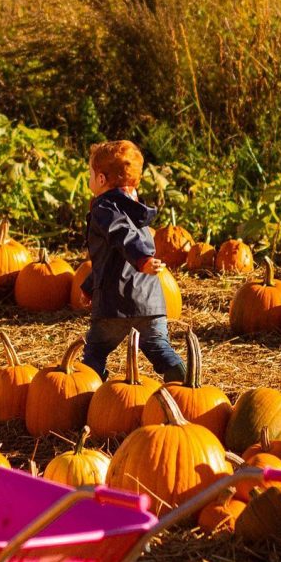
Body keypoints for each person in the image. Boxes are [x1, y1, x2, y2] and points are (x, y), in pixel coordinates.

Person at [80, 140, 186, 382]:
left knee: (95, 351)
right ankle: (187, 386)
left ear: (102, 180)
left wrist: (142, 260)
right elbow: (110, 258)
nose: (89, 179)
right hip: (150, 303)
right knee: (161, 350)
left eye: (90, 174)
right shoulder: (137, 212)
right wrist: (88, 288)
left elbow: (121, 235)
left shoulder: (105, 209)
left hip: (114, 303)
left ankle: (85, 395)